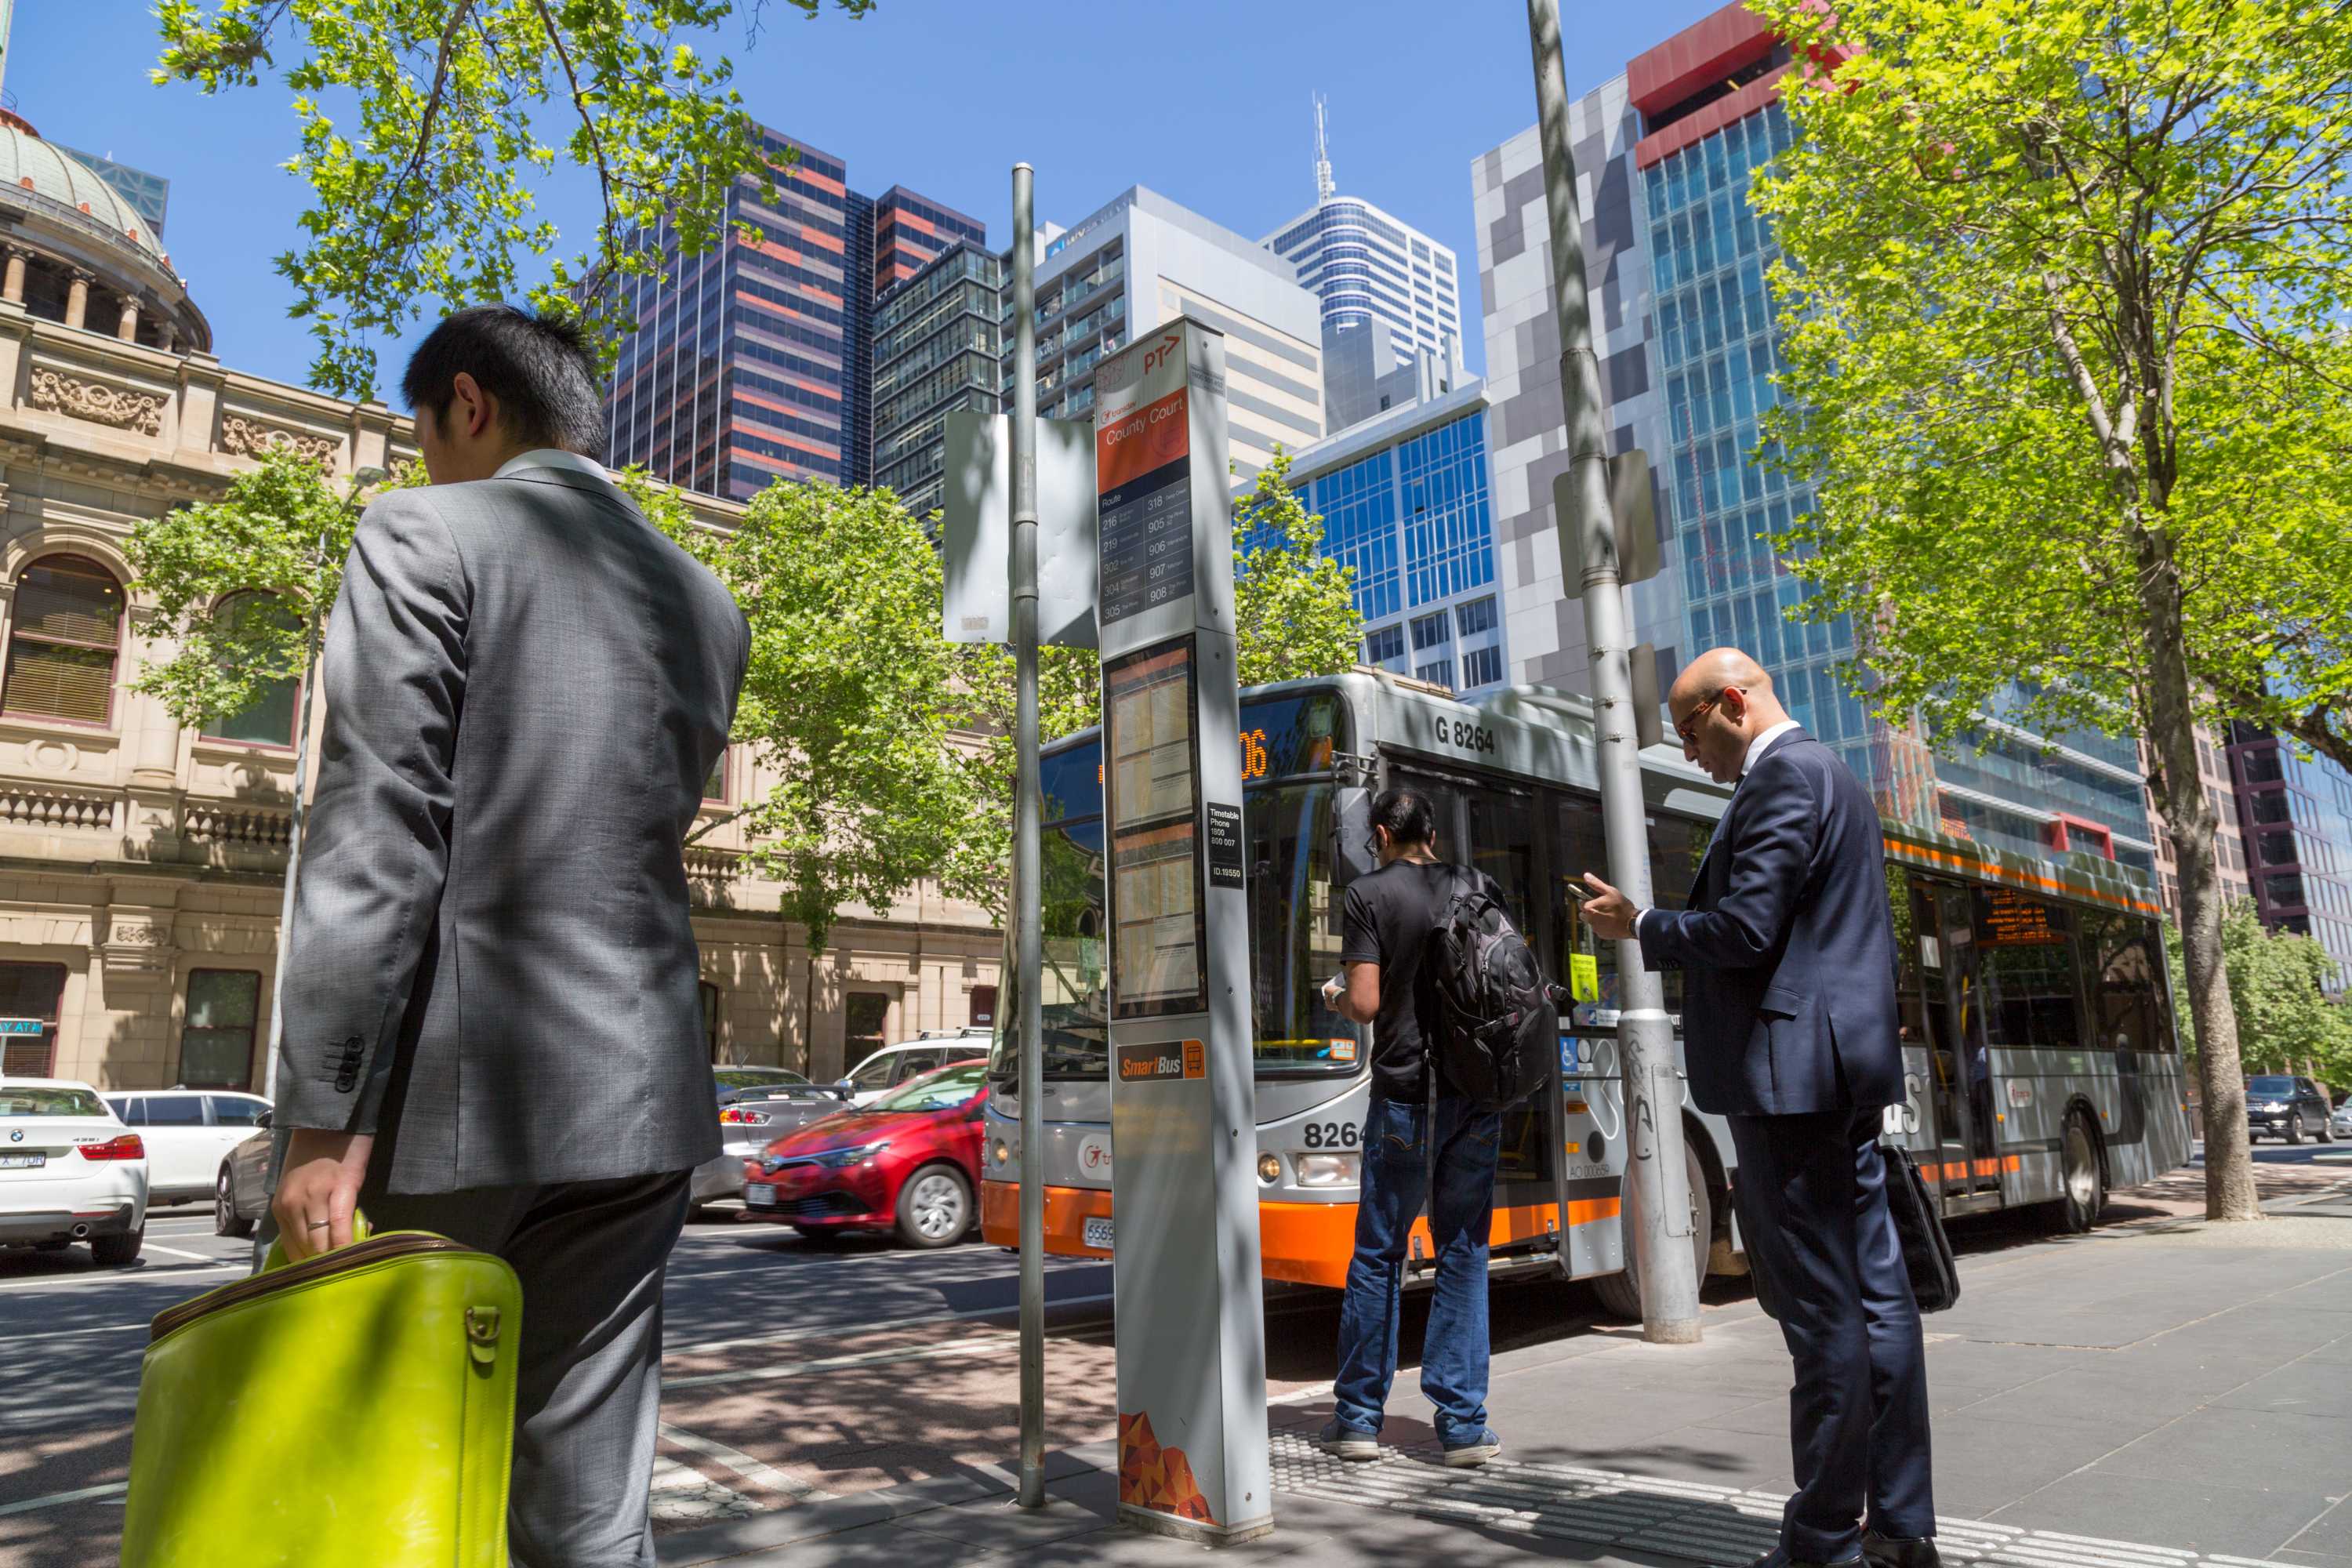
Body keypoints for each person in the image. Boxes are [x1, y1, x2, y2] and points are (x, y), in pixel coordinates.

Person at [269, 305, 750, 1567]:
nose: (419, 460)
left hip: (454, 1097)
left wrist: (323, 1121)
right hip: (645, 1093)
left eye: (420, 432)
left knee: (384, 1492)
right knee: (590, 1520)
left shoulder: (425, 529)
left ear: (468, 407)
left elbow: (379, 824)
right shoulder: (707, 599)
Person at [1582, 648, 1938, 1568]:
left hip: (1791, 1084)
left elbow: (1746, 930)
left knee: (1824, 1315)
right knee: (1877, 1303)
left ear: (1733, 702)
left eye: (1691, 730)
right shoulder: (1834, 778)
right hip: (1836, 1074)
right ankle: (1900, 1526)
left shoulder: (1785, 779)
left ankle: (1823, 1537)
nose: (1691, 752)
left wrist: (1643, 926)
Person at [1316, 787, 1507, 1468]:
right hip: (1475, 1093)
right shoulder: (1475, 884)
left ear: (1379, 833)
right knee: (1463, 1249)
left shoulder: (1368, 893)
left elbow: (1365, 1003)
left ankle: (1360, 1420)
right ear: (1430, 831)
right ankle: (1460, 1426)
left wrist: (1335, 995)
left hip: (1404, 1094)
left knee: (1378, 1254)